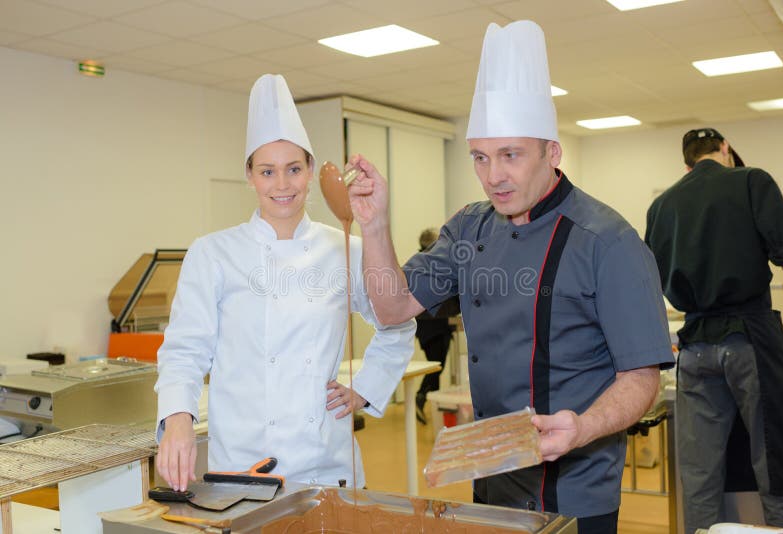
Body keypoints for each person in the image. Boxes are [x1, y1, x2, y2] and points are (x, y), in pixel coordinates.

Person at [348, 20, 674, 533]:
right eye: (480, 157)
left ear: (552, 152)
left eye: (511, 156)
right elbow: (391, 307)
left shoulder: (609, 243)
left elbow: (642, 378)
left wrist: (584, 425)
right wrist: (375, 226)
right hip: (492, 480)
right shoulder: (469, 228)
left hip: (575, 488)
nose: (493, 175)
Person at [154, 74, 415, 492]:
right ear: (250, 176)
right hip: (243, 465)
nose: (282, 185)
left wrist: (366, 389)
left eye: (294, 169)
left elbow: (398, 323)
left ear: (310, 170)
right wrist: (178, 422)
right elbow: (185, 350)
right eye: (267, 171)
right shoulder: (213, 253)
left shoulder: (346, 249)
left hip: (326, 464)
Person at [645, 127, 783, 532]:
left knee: (699, 475)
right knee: (777, 460)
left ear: (687, 163)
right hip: (751, 341)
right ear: (726, 149)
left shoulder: (662, 206)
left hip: (694, 349)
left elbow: (650, 283)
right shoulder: (752, 180)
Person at [412, 228, 461, 425]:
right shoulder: (435, 263)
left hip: (426, 325)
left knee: (436, 367)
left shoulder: (418, 262)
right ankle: (422, 397)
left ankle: (434, 407)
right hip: (436, 324)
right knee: (436, 367)